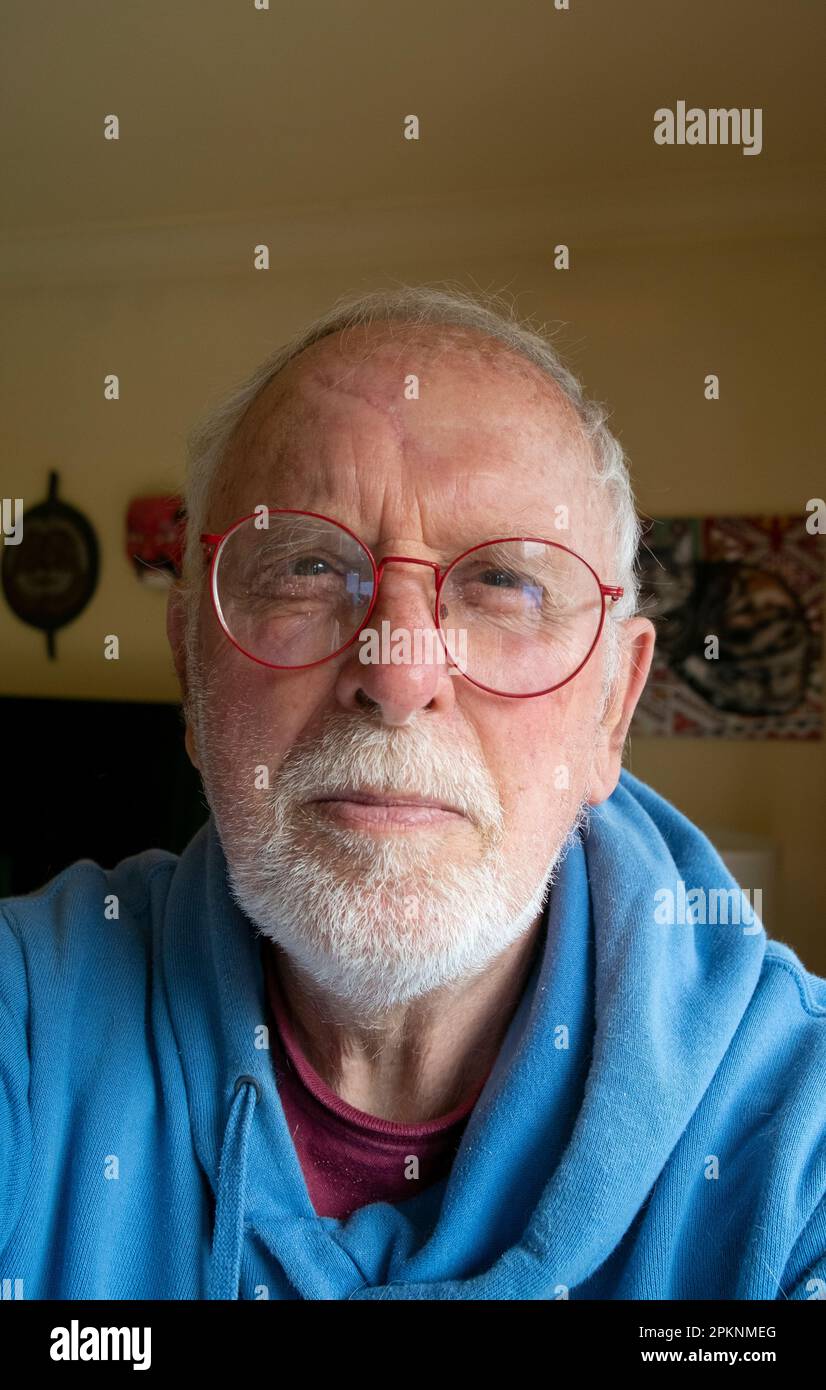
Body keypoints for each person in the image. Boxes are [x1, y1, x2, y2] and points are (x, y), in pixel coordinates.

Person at [1, 286, 823, 1300]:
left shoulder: (800, 1142)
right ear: (192, 674)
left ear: (612, 709)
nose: (395, 673)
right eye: (306, 565)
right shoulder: (26, 1026)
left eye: (503, 585)